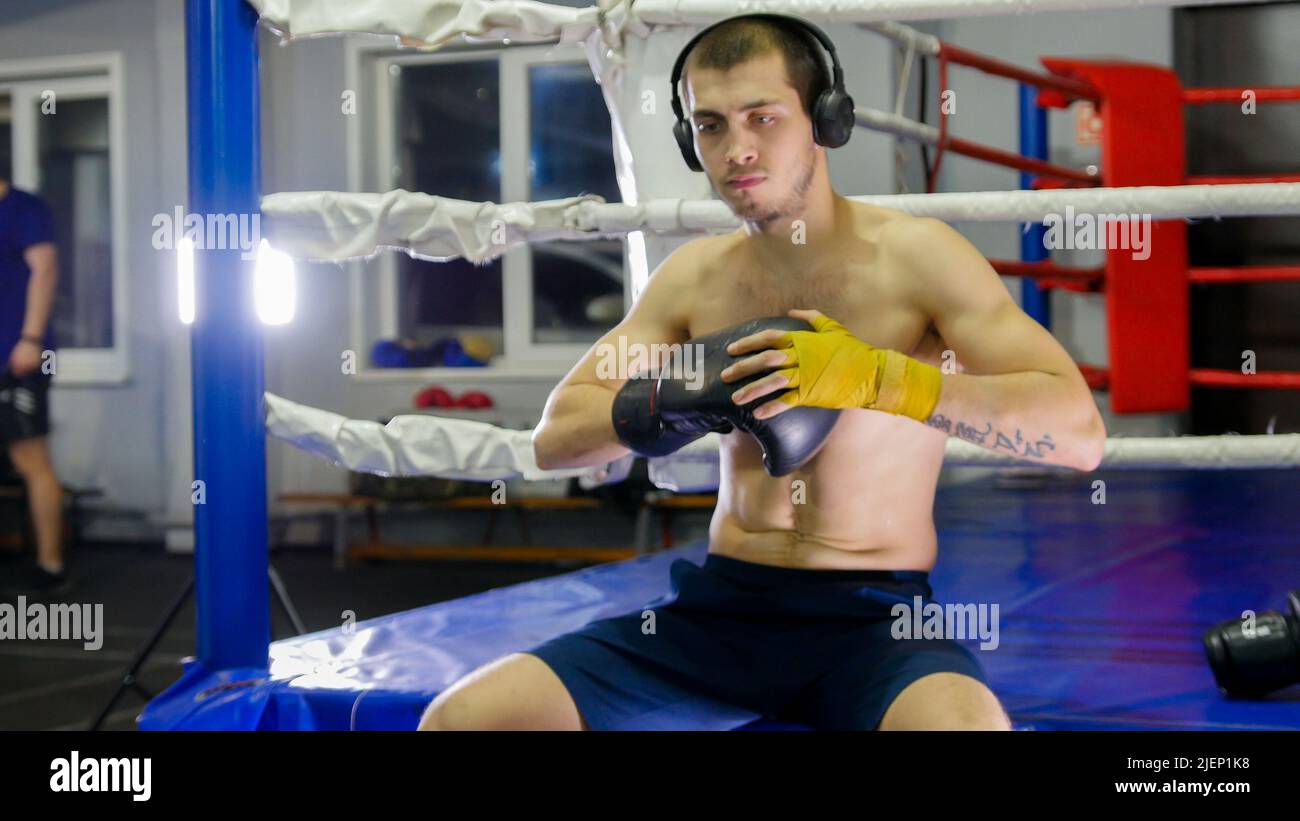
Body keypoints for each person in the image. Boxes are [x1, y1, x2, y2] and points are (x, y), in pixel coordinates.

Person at [420, 15, 1105, 730]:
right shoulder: (695, 278)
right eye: (710, 126)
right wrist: (671, 400)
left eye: (763, 118)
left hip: (873, 623)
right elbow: (556, 435)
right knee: (461, 719)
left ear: (826, 120)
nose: (737, 149)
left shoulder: (919, 259)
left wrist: (878, 379)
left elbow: (1078, 432)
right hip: (717, 615)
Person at [0, 175, 65, 595]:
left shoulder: (24, 209)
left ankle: (50, 565)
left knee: (30, 460)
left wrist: (31, 339)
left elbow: (45, 270)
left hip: (18, 357)